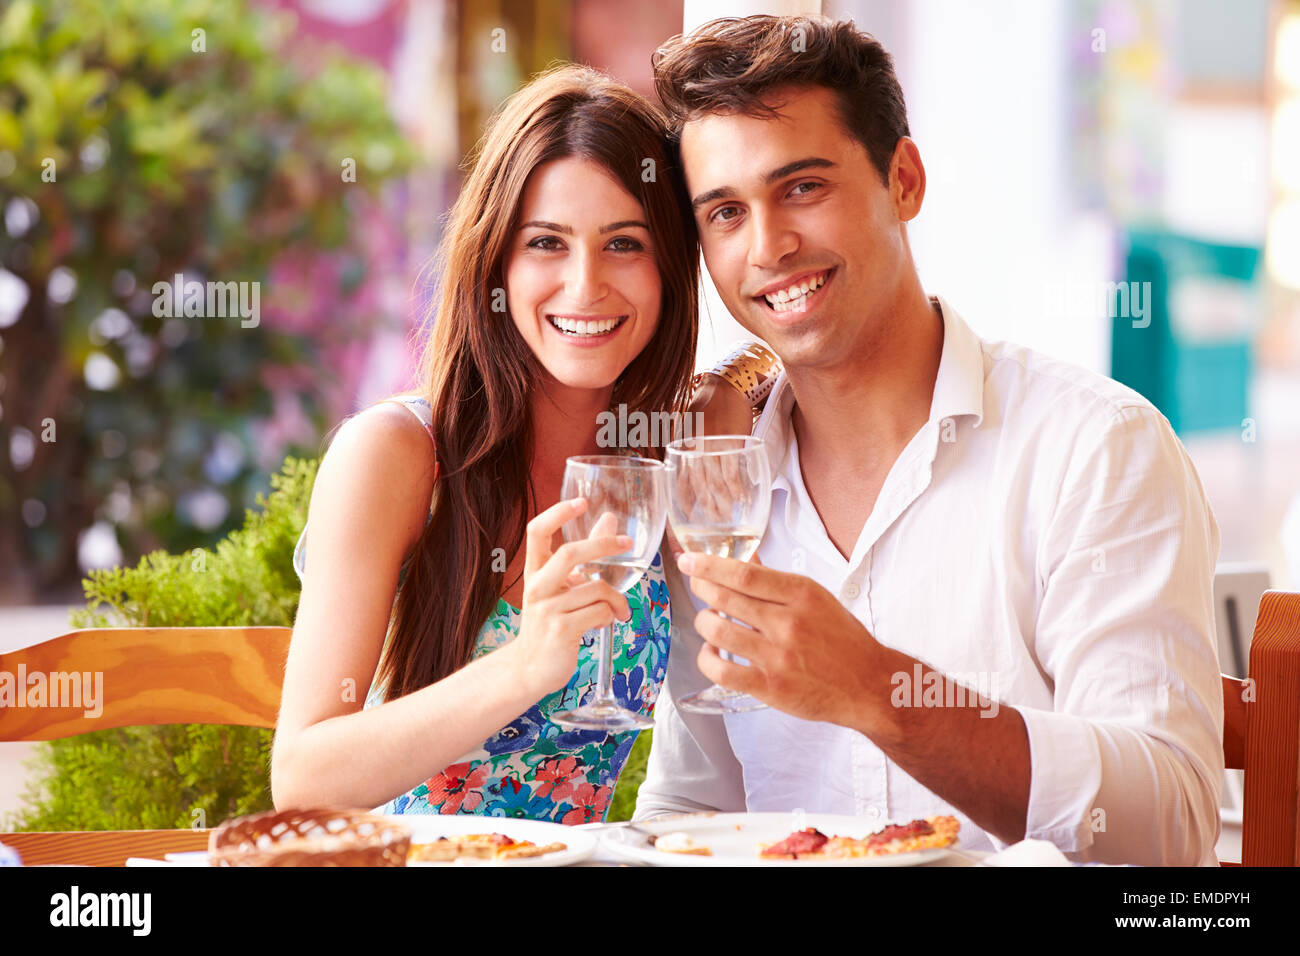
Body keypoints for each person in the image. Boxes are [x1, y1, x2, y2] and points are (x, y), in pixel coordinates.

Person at [635, 15, 1225, 866]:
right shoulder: (719, 486)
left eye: (803, 187)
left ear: (903, 180)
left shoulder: (1095, 450)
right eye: (726, 213)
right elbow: (690, 812)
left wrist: (878, 689)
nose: (768, 246)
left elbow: (1166, 825)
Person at [271, 64, 703, 822]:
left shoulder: (659, 457)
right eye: (546, 243)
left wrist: (734, 382)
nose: (585, 285)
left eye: (624, 244)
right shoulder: (397, 454)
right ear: (495, 261)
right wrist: (522, 667)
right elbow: (304, 777)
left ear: (669, 267)